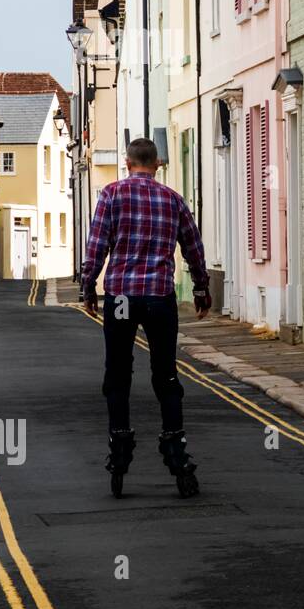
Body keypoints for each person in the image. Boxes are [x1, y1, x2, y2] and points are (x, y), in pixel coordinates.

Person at [81, 138, 212, 498]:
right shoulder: (172, 199)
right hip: (158, 297)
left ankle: (119, 444)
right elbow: (193, 247)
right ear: (157, 164)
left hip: (122, 297)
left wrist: (88, 286)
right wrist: (201, 288)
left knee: (118, 373)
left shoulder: (110, 195)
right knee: (166, 375)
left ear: (127, 163)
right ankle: (175, 449)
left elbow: (97, 245)